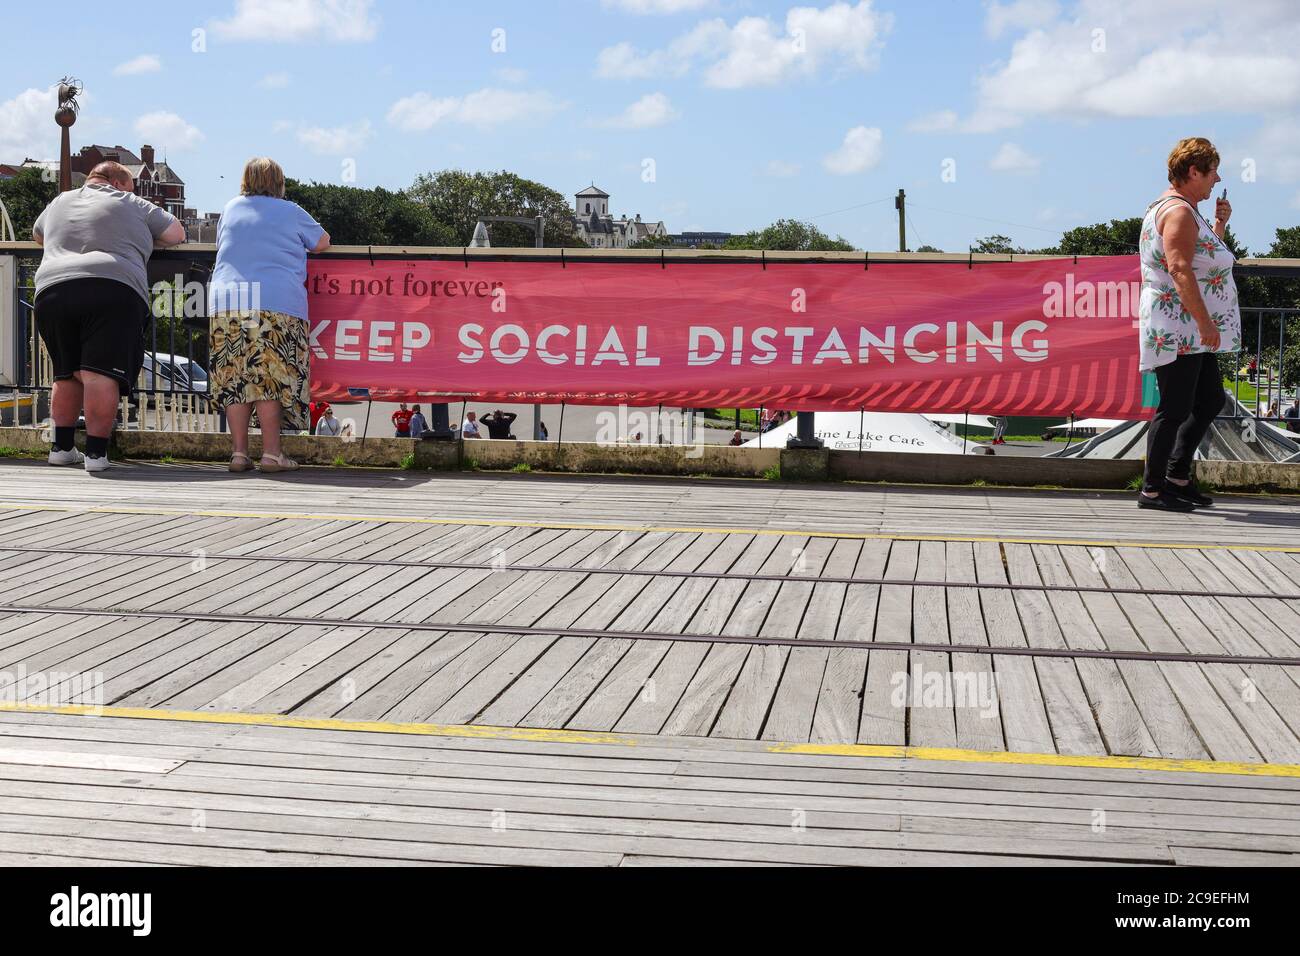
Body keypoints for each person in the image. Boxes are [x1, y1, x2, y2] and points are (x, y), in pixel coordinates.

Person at [32, 161, 186, 473]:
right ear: (117, 182)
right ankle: (97, 454)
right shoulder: (131, 201)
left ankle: (61, 448)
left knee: (66, 373)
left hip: (52, 289)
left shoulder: (60, 201)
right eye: (129, 185)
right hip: (112, 287)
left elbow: (39, 235)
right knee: (99, 374)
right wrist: (142, 237)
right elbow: (176, 234)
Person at [209, 157, 330, 473]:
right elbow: (322, 242)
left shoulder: (231, 208)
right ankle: (272, 454)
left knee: (236, 377)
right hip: (274, 300)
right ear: (279, 182)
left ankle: (238, 454)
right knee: (268, 379)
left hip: (228, 300)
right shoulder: (290, 211)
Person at [1137, 137, 1238, 511]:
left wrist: (1219, 225)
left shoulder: (1182, 209)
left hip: (1190, 326)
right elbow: (1179, 269)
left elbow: (1198, 261)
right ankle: (1152, 489)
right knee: (1175, 406)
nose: (1217, 178)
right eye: (1212, 171)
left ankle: (1177, 475)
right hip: (1181, 325)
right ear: (1193, 171)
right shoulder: (1177, 211)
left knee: (1210, 398)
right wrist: (1204, 321)